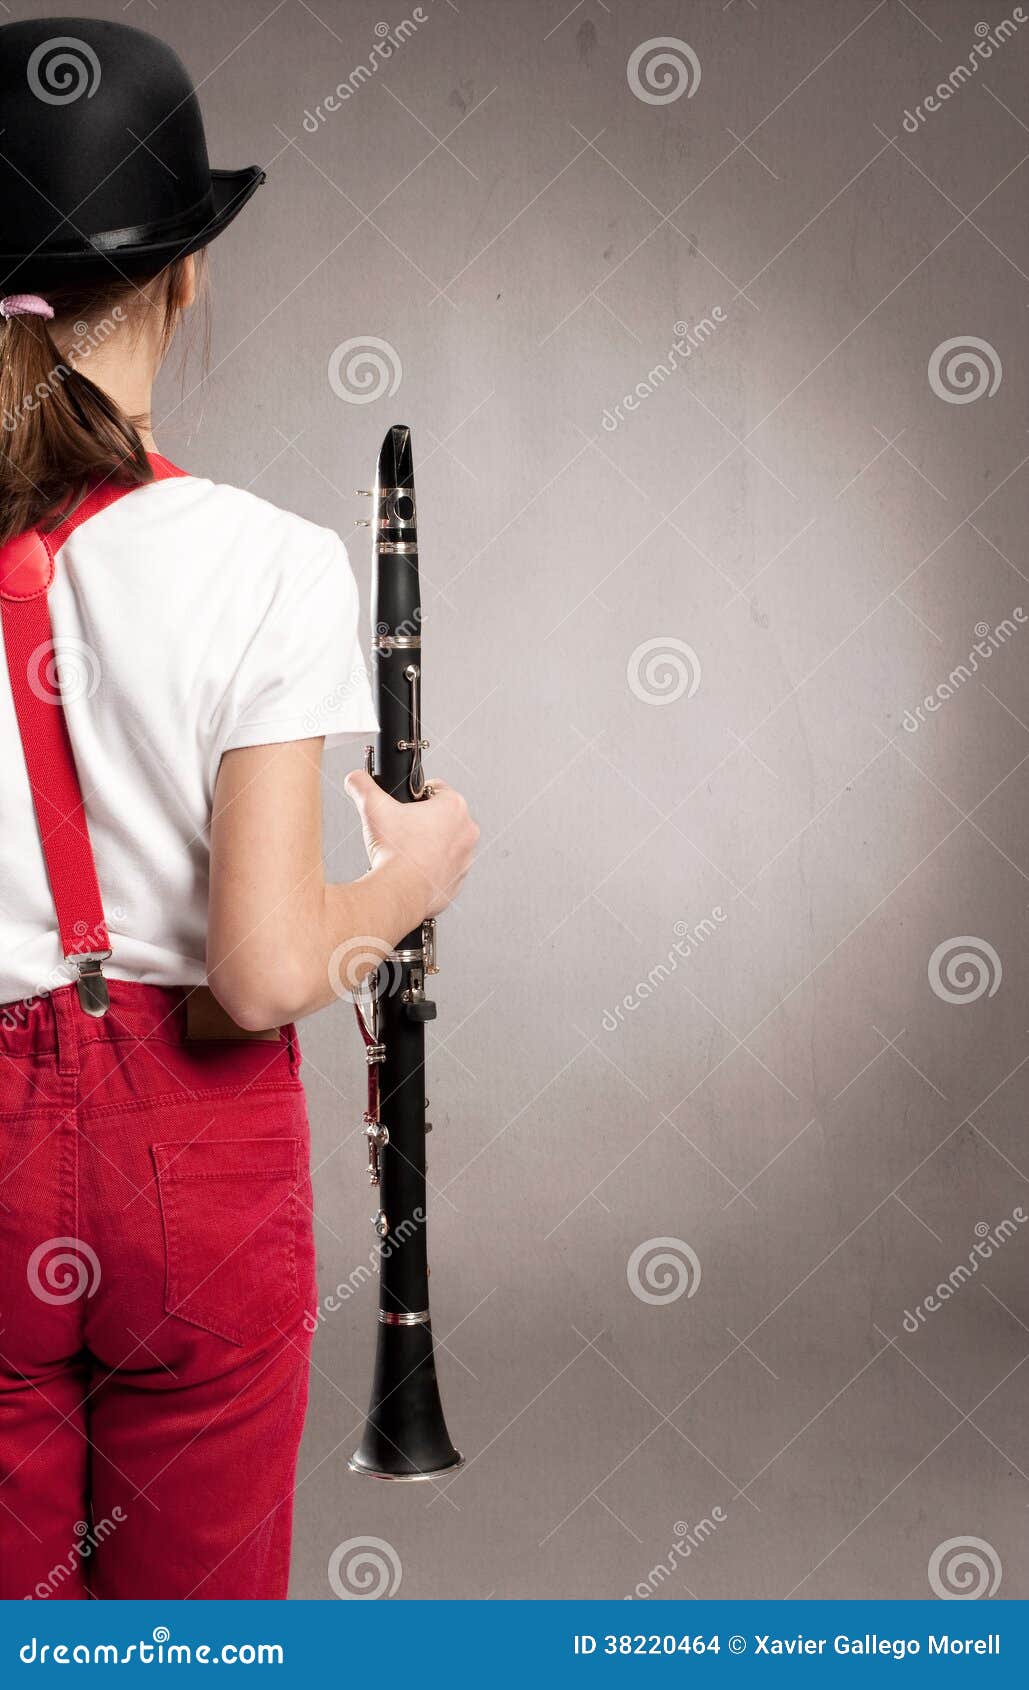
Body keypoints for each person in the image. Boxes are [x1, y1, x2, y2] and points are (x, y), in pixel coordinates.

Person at [0, 16, 477, 1600]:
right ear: (186, 274)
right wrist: (411, 873)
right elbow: (263, 974)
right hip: (190, 1164)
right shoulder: (264, 560)